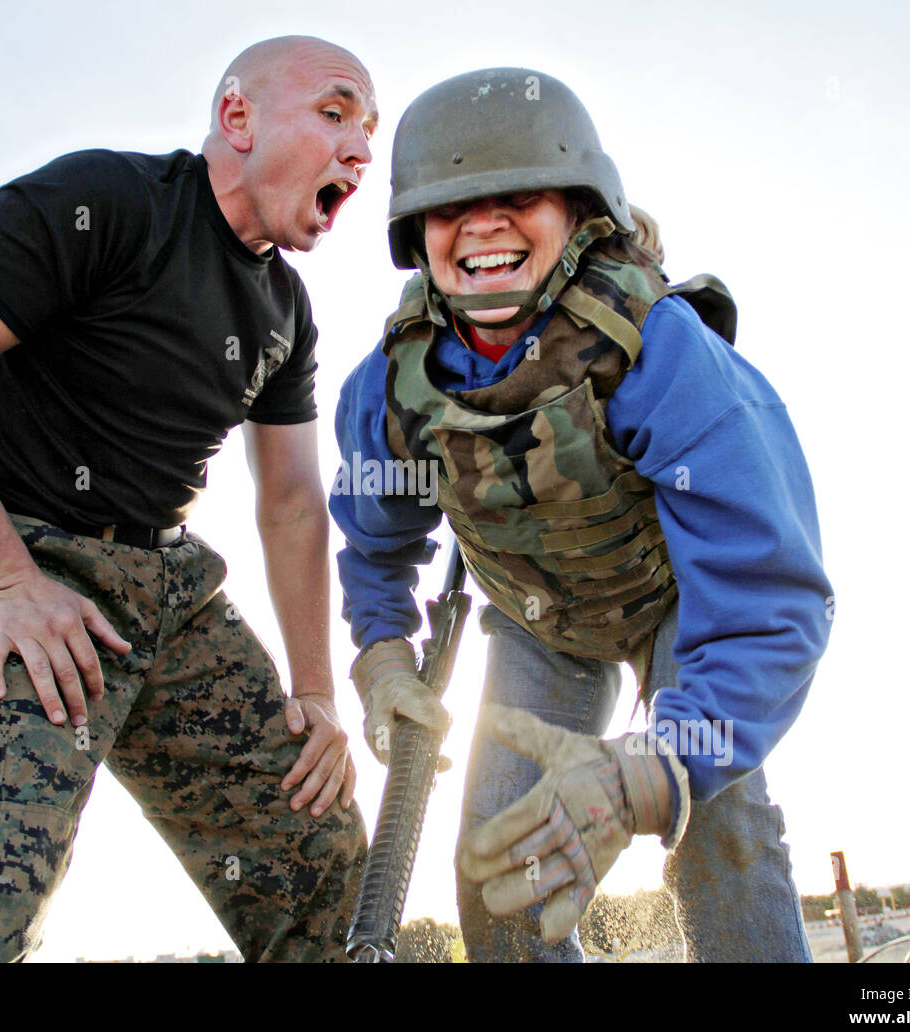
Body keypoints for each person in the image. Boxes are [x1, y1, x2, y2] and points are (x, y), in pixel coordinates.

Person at [0, 36, 377, 963]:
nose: (362, 149)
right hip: (18, 567)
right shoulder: (108, 202)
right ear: (237, 118)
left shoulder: (286, 310)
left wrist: (318, 696)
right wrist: (6, 581)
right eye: (337, 113)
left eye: (370, 131)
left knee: (320, 851)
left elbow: (290, 502)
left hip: (169, 591)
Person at [332, 68, 832, 962]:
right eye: (450, 209)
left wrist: (657, 768)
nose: (482, 226)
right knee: (501, 852)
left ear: (577, 214)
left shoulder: (658, 353)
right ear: (417, 237)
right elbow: (383, 540)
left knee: (720, 818)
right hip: (541, 626)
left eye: (517, 196)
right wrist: (381, 655)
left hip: (681, 605)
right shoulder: (394, 399)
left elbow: (767, 591)